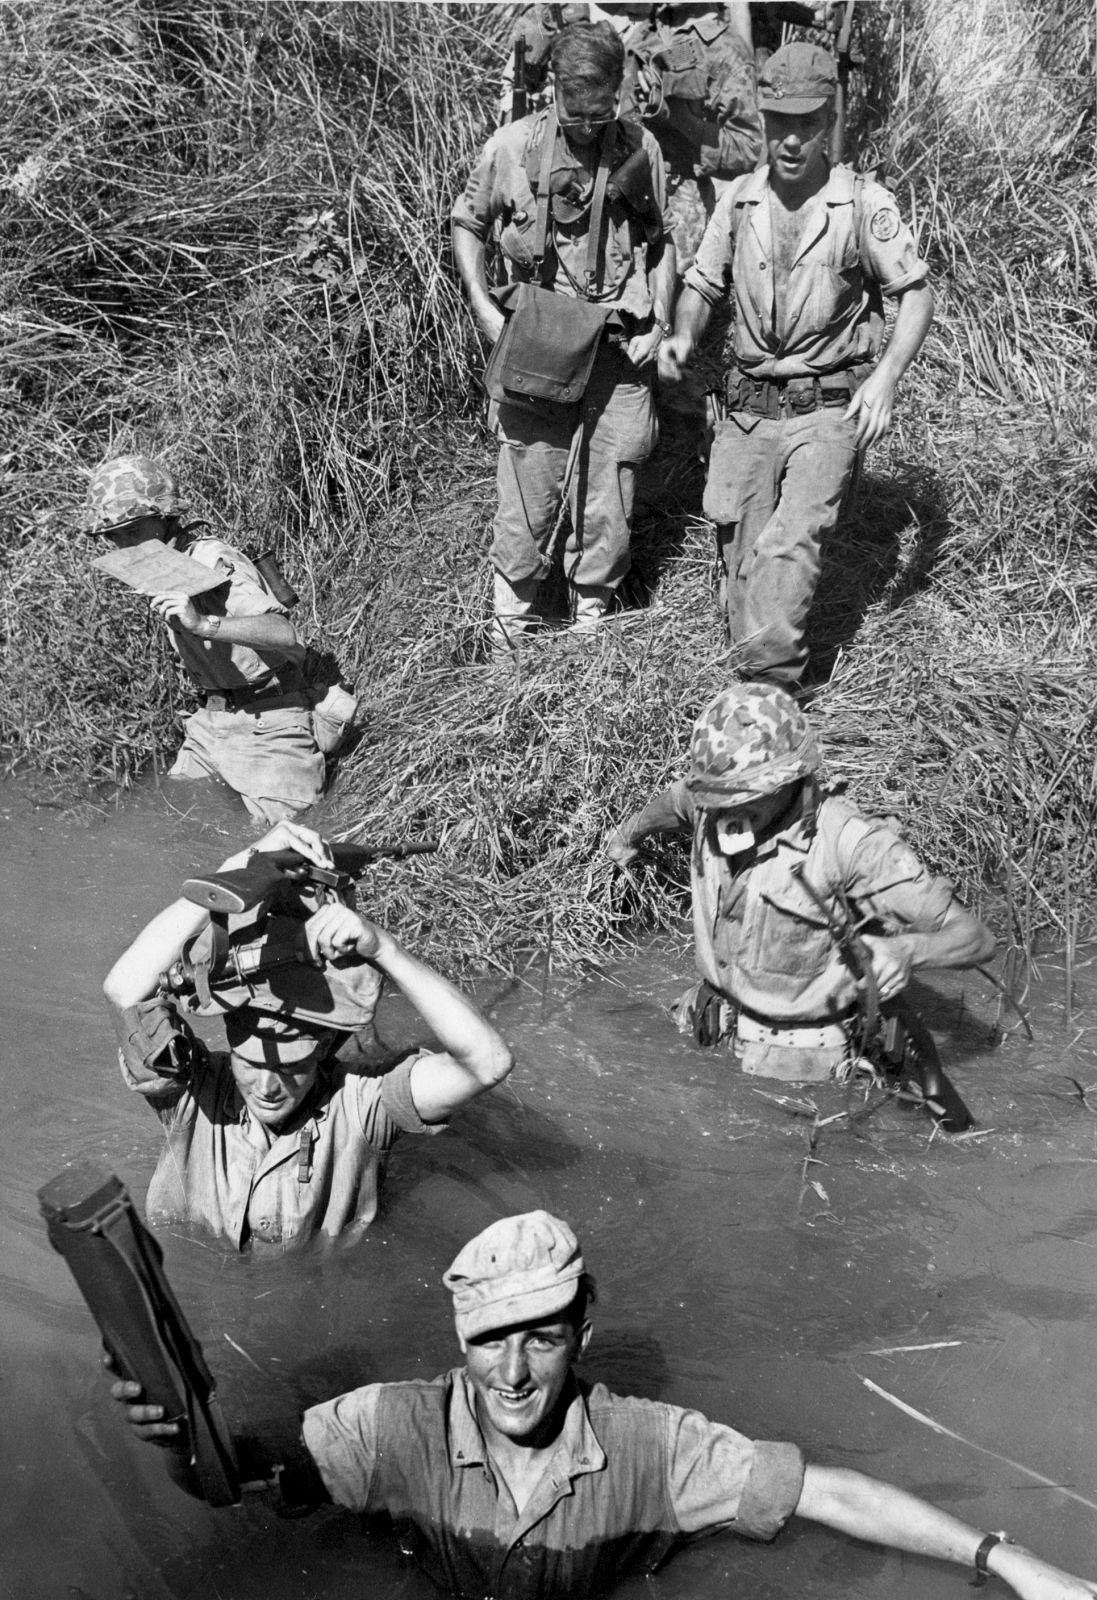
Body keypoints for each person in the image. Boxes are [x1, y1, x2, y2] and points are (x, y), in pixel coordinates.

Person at [111, 1210, 1096, 1600]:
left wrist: (1005, 1561)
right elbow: (227, 1477)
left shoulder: (648, 1447)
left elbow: (826, 1493)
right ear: (459, 1341)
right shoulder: (387, 1427)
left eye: (539, 1337)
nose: (511, 1371)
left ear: (579, 1337)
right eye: (490, 1338)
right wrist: (171, 1436)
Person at [659, 41, 935, 689]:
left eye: (804, 124)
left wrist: (885, 377)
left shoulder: (862, 204)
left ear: (826, 123)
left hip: (825, 412)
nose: (788, 141)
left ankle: (774, 709)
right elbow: (702, 283)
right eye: (777, 122)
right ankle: (760, 682)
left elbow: (915, 294)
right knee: (739, 568)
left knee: (786, 552)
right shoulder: (739, 202)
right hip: (745, 410)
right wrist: (680, 335)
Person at [102, 820, 514, 1249]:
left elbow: (488, 1063)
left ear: (322, 1050)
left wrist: (383, 949)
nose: (266, 1087)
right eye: (250, 1062)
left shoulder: (360, 1105)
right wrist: (236, 871)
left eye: (291, 1066)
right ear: (229, 1044)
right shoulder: (193, 1090)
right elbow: (123, 991)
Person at [606, 682, 995, 1082]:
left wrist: (909, 950)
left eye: (744, 795)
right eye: (717, 796)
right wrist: (626, 834)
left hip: (802, 1073)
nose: (727, 808)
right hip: (705, 1034)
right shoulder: (712, 797)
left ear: (789, 778)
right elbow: (675, 804)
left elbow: (977, 939)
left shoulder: (851, 845)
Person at [452, 19, 677, 641]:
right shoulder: (512, 148)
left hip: (615, 344)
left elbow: (661, 244)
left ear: (618, 91)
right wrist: (484, 308)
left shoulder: (640, 148)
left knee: (612, 482)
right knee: (529, 485)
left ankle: (591, 623)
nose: (586, 128)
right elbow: (467, 224)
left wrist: (658, 318)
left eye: (598, 114)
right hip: (540, 343)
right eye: (575, 115)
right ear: (552, 88)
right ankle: (510, 631)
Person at [86, 454, 334, 824]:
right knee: (172, 831)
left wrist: (204, 624)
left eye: (134, 531)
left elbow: (283, 632)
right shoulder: (164, 564)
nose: (125, 546)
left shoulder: (211, 558)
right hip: (210, 723)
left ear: (166, 516)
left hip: (272, 722)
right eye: (114, 537)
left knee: (277, 848)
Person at [619, 2, 762, 270]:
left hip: (680, 201)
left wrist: (681, 119)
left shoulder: (727, 50)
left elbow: (747, 148)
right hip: (627, 186)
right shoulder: (645, 33)